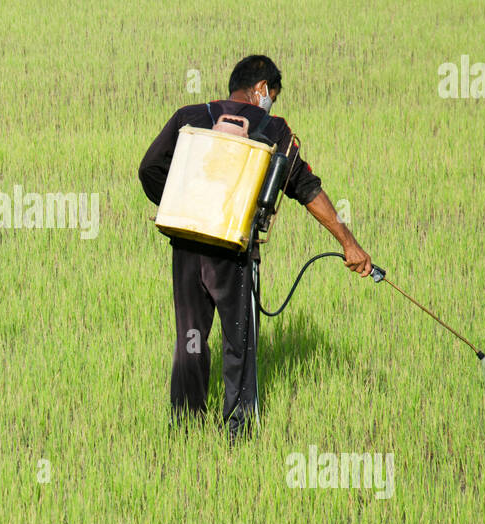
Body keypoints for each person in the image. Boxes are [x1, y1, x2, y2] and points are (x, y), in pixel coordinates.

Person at [138, 54, 373, 441]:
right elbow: (307, 189)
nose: (272, 104)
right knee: (240, 343)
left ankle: (183, 431)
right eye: (273, 96)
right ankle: (239, 435)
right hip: (234, 253)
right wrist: (349, 244)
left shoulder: (189, 116)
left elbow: (148, 167)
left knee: (190, 341)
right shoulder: (273, 129)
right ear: (261, 89)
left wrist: (179, 205)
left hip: (188, 246)